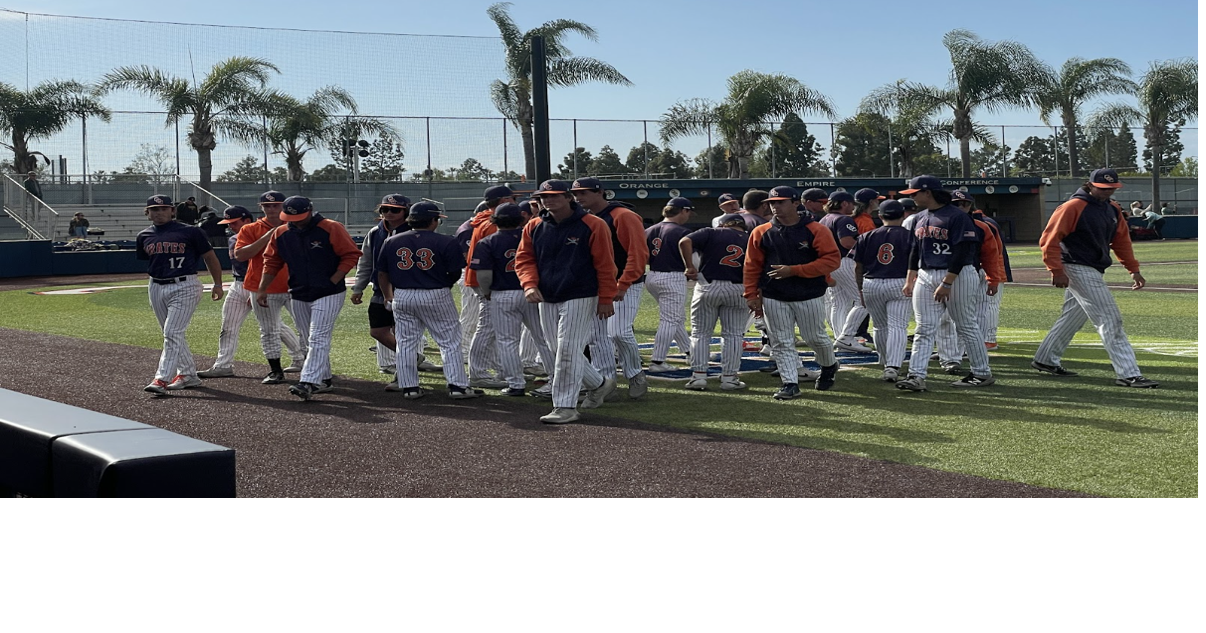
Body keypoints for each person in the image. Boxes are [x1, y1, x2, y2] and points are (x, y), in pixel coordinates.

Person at [1032, 168, 1158, 388]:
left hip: (1093, 266)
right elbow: (1049, 239)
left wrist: (1133, 269)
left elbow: (1121, 241)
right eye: (1102, 188)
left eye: (1111, 188)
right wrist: (1056, 270)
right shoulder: (1073, 207)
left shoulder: (1112, 209)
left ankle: (1045, 359)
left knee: (1073, 316)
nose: (1107, 192)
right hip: (1076, 265)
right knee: (1110, 318)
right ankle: (1128, 374)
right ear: (1089, 185)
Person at [515, 179, 619, 424]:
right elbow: (524, 259)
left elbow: (605, 264)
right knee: (557, 349)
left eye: (555, 196)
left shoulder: (593, 224)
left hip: (581, 294)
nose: (548, 200)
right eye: (543, 197)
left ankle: (564, 406)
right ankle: (600, 384)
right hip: (547, 295)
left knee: (568, 349)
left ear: (568, 197)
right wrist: (529, 284)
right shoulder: (534, 225)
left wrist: (606, 298)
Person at [895, 175, 995, 391]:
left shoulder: (958, 216)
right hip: (926, 273)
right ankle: (916, 375)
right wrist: (910, 278)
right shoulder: (919, 217)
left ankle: (982, 372)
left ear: (927, 192)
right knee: (923, 328)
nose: (912, 198)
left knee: (966, 324)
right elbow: (915, 249)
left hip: (958, 274)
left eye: (915, 193)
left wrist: (948, 282)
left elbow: (962, 251)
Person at [258, 196, 362, 401]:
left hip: (329, 292)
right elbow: (271, 261)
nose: (295, 220)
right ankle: (324, 380)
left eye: (299, 216)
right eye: (290, 217)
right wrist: (262, 289)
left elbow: (351, 254)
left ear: (310, 211)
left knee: (318, 337)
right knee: (307, 339)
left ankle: (308, 381)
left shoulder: (330, 227)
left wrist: (333, 280)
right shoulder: (281, 232)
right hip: (298, 291)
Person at [376, 201, 483, 400]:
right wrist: (444, 284)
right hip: (435, 292)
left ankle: (409, 387)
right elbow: (454, 272)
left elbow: (382, 273)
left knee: (406, 343)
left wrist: (388, 296)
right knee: (449, 341)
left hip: (403, 294)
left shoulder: (392, 241)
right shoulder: (446, 241)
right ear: (434, 220)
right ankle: (457, 386)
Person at [743, 186, 842, 399]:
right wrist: (751, 294)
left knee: (815, 337)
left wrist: (795, 270)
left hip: (809, 293)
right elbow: (752, 265)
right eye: (772, 202)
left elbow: (832, 260)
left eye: (781, 201)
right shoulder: (761, 231)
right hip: (774, 294)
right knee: (780, 341)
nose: (775, 206)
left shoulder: (816, 229)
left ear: (795, 203)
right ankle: (790, 382)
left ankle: (829, 365)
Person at [196, 206, 304, 380]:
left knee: (275, 326)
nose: (230, 226)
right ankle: (223, 365)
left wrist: (254, 290)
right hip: (238, 284)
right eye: (228, 223)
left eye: (234, 222)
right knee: (228, 326)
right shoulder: (234, 238)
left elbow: (261, 265)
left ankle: (299, 358)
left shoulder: (262, 234)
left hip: (258, 285)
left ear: (247, 219)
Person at [136, 195, 225, 395]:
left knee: (172, 333)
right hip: (156, 286)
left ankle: (162, 379)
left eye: (164, 209)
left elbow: (210, 257)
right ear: (147, 213)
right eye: (154, 210)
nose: (160, 213)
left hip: (185, 284)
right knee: (171, 334)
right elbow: (148, 261)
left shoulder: (191, 231)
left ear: (172, 211)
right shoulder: (144, 235)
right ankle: (188, 375)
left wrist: (217, 284)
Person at [571, 177, 650, 399]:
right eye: (576, 193)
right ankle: (606, 382)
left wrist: (624, 283)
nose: (578, 197)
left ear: (599, 192)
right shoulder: (585, 219)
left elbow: (638, 253)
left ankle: (635, 373)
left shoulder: (622, 215)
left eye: (584, 193)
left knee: (619, 332)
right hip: (596, 285)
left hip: (625, 283)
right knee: (597, 337)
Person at [470, 202, 555, 396]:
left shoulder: (488, 241)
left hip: (503, 294)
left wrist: (487, 292)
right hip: (532, 291)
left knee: (507, 340)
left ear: (495, 220)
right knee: (543, 339)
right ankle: (555, 378)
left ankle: (516, 384)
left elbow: (483, 274)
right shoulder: (532, 237)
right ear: (521, 218)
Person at [350, 194, 440, 378]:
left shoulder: (415, 230)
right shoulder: (375, 232)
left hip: (408, 288)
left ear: (406, 211)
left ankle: (407, 361)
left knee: (408, 329)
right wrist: (358, 287)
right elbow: (366, 262)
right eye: (384, 209)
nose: (388, 213)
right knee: (379, 330)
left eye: (395, 209)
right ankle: (399, 360)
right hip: (380, 288)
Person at [680, 213, 751, 391]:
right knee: (733, 334)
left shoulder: (711, 232)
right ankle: (729, 378)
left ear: (722, 224)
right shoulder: (749, 238)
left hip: (707, 286)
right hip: (739, 287)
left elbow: (684, 241)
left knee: (700, 333)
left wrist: (689, 266)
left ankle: (698, 377)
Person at [851, 200, 913, 382]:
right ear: (903, 215)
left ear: (880, 216)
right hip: (900, 281)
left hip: (872, 283)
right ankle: (893, 366)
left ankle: (885, 361)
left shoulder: (866, 236)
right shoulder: (911, 236)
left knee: (879, 326)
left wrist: (860, 289)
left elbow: (857, 267)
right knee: (897, 326)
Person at [465, 186, 518, 389]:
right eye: (512, 198)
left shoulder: (485, 218)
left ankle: (502, 369)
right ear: (503, 200)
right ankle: (477, 373)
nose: (514, 201)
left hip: (482, 278)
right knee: (487, 327)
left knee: (495, 329)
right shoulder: (493, 223)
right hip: (487, 281)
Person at [643, 197, 696, 373]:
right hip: (672, 276)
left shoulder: (649, 230)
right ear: (684, 211)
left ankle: (690, 352)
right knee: (670, 319)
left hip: (652, 275)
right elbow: (693, 260)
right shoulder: (682, 231)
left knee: (676, 318)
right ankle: (657, 361)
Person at [818, 191, 872, 353]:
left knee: (839, 302)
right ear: (844, 203)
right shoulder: (843, 219)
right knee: (864, 299)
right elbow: (847, 242)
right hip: (844, 262)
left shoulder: (824, 219)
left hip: (829, 263)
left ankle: (841, 337)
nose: (853, 207)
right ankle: (846, 337)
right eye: (851, 204)